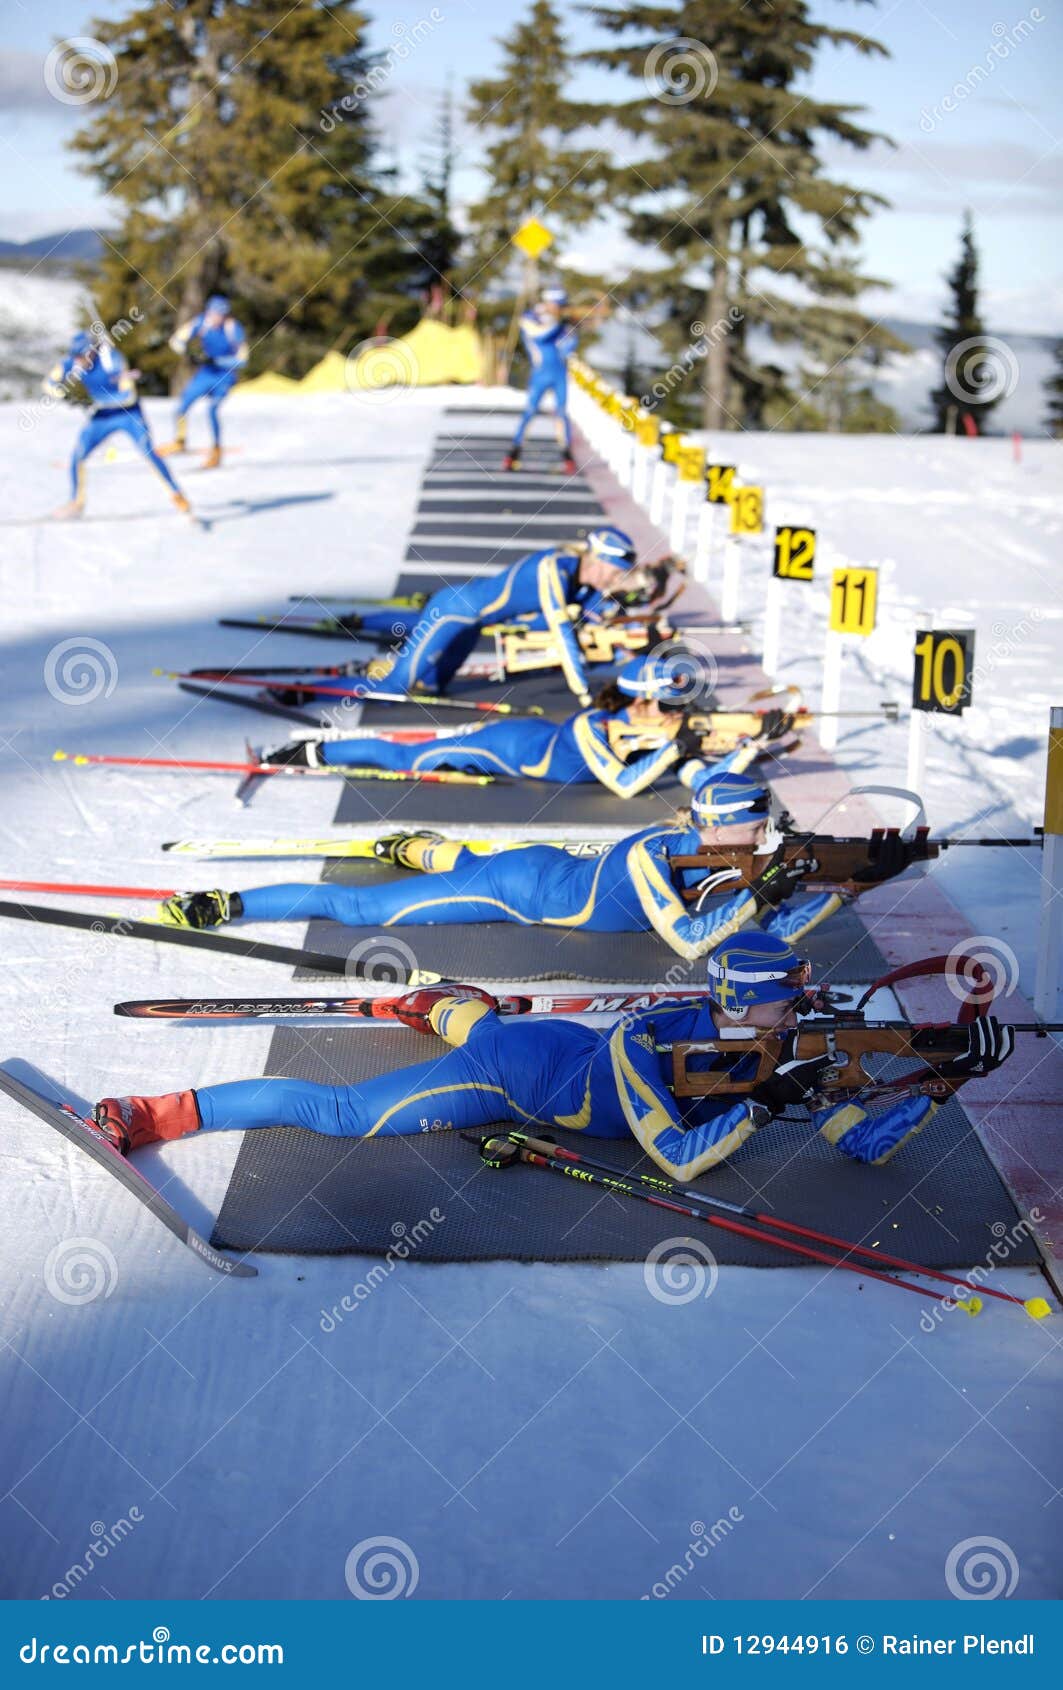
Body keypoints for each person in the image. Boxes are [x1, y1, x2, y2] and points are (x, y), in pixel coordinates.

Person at [92, 933, 1014, 1180]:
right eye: (790, 998)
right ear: (743, 1003)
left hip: (549, 1047)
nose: (805, 1009)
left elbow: (861, 1144)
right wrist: (771, 1103)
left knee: (474, 1018)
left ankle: (435, 1002)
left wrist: (941, 1081)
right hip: (511, 1076)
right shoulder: (652, 1049)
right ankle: (151, 1113)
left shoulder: (778, 1046)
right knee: (346, 1114)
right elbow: (681, 1156)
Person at [158, 770, 845, 957]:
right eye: (756, 817)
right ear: (719, 821)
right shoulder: (650, 854)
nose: (765, 828)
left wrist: (844, 886)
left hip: (545, 867)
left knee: (459, 864)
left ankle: (420, 848)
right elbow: (694, 941)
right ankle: (227, 902)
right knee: (361, 906)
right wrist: (777, 885)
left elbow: (770, 930)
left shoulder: (715, 849)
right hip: (519, 888)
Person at [258, 649, 762, 797]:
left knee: (415, 745)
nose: (671, 715)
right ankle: (312, 751)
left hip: (534, 736)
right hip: (508, 745)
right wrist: (680, 747)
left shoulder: (645, 727)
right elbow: (626, 785)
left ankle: (316, 745)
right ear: (639, 701)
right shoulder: (594, 726)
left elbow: (700, 767)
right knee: (409, 755)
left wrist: (754, 744)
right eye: (664, 706)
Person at [286, 527, 660, 705]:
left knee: (433, 687)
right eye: (614, 574)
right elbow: (563, 632)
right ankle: (305, 691)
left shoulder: (582, 584)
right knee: (394, 688)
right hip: (452, 612)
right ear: (598, 561)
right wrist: (582, 693)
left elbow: (598, 618)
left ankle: (383, 657)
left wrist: (638, 641)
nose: (615, 582)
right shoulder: (555, 569)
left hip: (470, 626)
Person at [43, 332, 189, 520]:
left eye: (81, 356)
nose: (78, 361)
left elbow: (128, 396)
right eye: (75, 357)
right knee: (77, 456)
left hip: (128, 414)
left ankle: (177, 494)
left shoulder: (112, 359)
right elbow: (49, 384)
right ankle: (76, 503)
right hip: (102, 417)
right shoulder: (72, 363)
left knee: (148, 452)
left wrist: (95, 401)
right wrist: (65, 394)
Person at [158, 294, 248, 468]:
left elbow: (243, 360)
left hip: (225, 375)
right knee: (182, 405)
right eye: (213, 314)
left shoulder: (232, 328)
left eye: (219, 315)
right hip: (206, 372)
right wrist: (188, 353)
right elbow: (176, 340)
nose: (215, 318)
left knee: (212, 409)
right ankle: (180, 441)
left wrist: (218, 361)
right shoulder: (201, 322)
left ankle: (216, 450)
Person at [503, 286, 578, 474]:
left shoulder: (562, 323)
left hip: (559, 373)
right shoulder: (531, 318)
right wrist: (559, 324)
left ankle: (567, 457)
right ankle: (513, 453)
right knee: (530, 412)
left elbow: (568, 347)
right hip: (540, 373)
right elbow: (540, 336)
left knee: (561, 413)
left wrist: (573, 329)